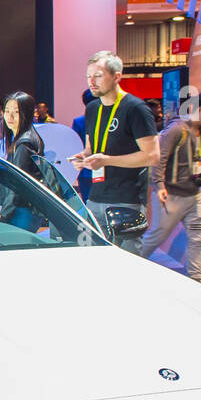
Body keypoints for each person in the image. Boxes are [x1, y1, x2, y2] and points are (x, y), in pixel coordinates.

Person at [71, 51, 160, 253]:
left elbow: (152, 155)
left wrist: (107, 161)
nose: (91, 81)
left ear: (117, 76)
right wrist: (83, 157)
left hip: (127, 199)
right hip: (96, 197)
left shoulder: (135, 108)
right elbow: (91, 148)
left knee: (128, 261)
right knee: (96, 257)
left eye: (98, 75)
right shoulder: (93, 108)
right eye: (88, 76)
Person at [141, 94, 201, 282]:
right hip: (172, 195)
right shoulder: (176, 129)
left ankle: (196, 278)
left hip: (194, 194)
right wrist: (159, 186)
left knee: (198, 236)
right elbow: (159, 158)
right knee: (156, 236)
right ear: (196, 109)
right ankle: (131, 263)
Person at [2, 92, 44, 180]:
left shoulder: (24, 144)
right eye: (7, 111)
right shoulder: (28, 136)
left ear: (27, 113)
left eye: (16, 112)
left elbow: (16, 183)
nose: (10, 116)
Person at [71, 89, 95, 200]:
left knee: (87, 201)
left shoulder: (79, 121)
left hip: (85, 169)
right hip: (100, 168)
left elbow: (75, 145)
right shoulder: (105, 120)